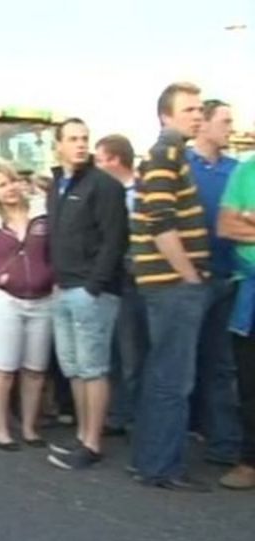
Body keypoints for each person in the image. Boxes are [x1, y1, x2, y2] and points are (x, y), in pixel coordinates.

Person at [130, 83, 214, 491]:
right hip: (172, 286)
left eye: (200, 110)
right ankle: (162, 468)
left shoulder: (168, 155)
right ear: (166, 116)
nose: (197, 116)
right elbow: (160, 223)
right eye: (189, 110)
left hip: (165, 285)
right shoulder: (165, 155)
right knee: (173, 380)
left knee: (162, 374)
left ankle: (149, 461)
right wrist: (190, 275)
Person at [45, 118, 128, 471]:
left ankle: (93, 442)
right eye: (73, 139)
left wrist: (94, 286)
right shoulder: (57, 185)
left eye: (85, 139)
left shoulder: (105, 185)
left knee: (93, 369)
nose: (81, 145)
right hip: (62, 288)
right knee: (75, 368)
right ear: (58, 145)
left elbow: (115, 239)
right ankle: (82, 435)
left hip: (92, 292)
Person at [0, 160, 54, 450]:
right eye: (2, 184)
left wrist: (52, 276)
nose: (10, 189)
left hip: (43, 300)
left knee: (34, 369)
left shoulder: (41, 212)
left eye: (12, 181)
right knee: (3, 368)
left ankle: (30, 428)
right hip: (5, 301)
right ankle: (1, 429)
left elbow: (53, 250)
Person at [184, 99, 243, 467]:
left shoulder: (237, 170)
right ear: (203, 124)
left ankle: (224, 444)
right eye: (225, 121)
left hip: (228, 278)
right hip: (189, 280)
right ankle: (177, 438)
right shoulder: (182, 167)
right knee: (179, 364)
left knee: (221, 366)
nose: (231, 128)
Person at [94, 134, 148, 437]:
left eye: (100, 159)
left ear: (114, 160)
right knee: (113, 351)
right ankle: (117, 412)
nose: (97, 166)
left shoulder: (137, 195)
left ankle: (134, 416)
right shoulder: (110, 193)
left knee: (132, 352)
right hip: (111, 281)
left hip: (132, 279)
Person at [216, 155, 255, 490]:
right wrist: (241, 221)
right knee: (249, 383)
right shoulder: (246, 171)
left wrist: (251, 222)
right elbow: (226, 226)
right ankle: (249, 462)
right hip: (250, 295)